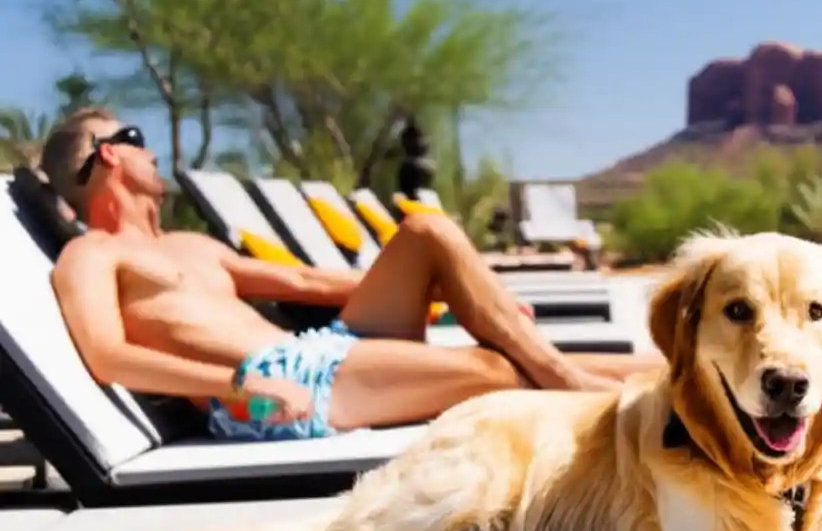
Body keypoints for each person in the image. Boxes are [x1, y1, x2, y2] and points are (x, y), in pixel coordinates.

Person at [39, 107, 659, 442]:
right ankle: (589, 392)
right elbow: (109, 357)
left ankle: (654, 379)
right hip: (274, 388)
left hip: (324, 350)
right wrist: (240, 386)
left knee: (427, 233)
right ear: (110, 154)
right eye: (136, 136)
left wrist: (461, 286)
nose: (151, 151)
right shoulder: (91, 257)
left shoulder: (191, 245)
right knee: (494, 369)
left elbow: (310, 286)